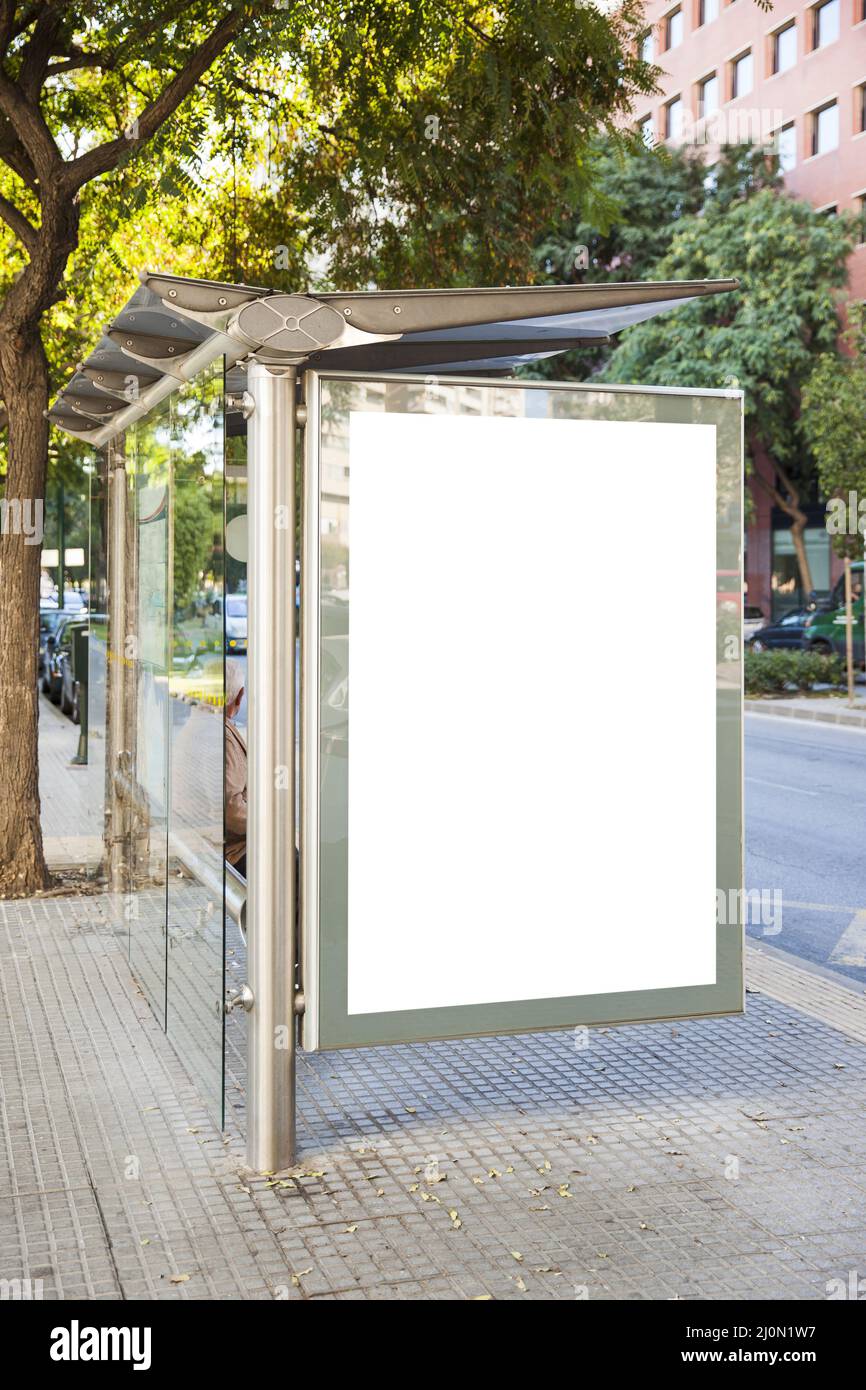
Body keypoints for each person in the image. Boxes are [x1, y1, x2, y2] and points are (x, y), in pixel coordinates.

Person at [225, 658, 247, 879]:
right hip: (236, 851)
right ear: (240, 696)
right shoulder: (224, 739)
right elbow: (232, 810)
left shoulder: (203, 723)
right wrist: (267, 823)